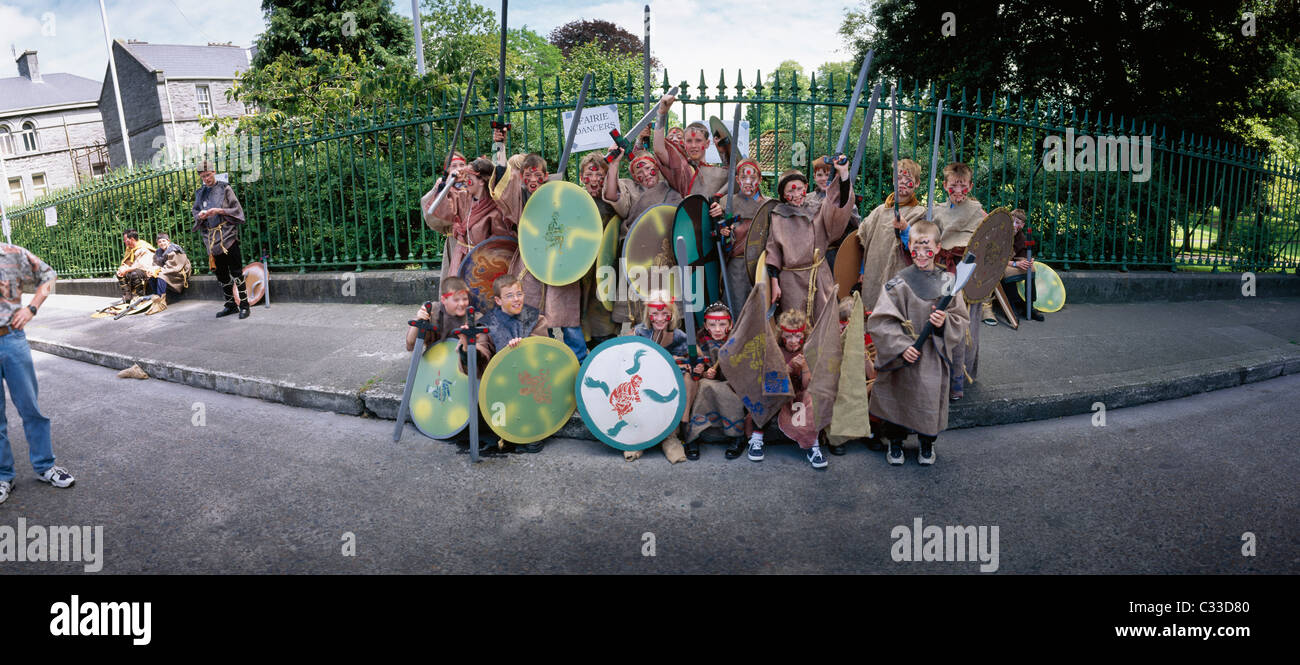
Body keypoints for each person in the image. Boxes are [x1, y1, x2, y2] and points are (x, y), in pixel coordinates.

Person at [867, 221, 970, 466]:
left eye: (927, 249)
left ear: (937, 248)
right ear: (908, 247)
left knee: (929, 399)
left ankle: (927, 443)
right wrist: (902, 346)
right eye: (916, 249)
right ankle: (895, 442)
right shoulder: (898, 282)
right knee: (897, 398)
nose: (921, 255)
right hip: (903, 355)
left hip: (933, 353)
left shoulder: (947, 281)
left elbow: (960, 318)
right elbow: (881, 321)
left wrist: (944, 321)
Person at [0, 243, 74, 506]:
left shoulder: (13, 254)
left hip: (11, 338)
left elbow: (50, 276)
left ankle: (45, 467)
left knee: (30, 408)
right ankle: (3, 476)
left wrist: (31, 308)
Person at [405, 276, 497, 454]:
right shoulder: (434, 313)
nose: (462, 304)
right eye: (456, 299)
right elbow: (410, 345)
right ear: (444, 299)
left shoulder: (475, 318)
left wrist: (468, 346)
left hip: (466, 375)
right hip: (439, 375)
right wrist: (419, 322)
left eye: (465, 298)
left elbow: (484, 352)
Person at [764, 157, 855, 326]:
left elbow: (837, 205)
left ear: (806, 188)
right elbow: (773, 251)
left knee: (825, 322)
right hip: (791, 282)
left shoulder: (817, 209)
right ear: (783, 194)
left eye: (799, 189)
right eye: (790, 191)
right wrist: (774, 284)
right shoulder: (778, 216)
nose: (796, 195)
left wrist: (843, 174)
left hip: (819, 275)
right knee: (796, 326)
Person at [933, 162, 988, 400]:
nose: (958, 190)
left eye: (963, 185)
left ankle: (962, 376)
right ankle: (940, 376)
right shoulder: (936, 211)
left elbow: (991, 237)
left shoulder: (977, 210)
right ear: (945, 186)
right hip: (943, 271)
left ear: (970, 186)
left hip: (968, 273)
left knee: (965, 326)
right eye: (953, 185)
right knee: (941, 322)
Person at [480, 275, 550, 454]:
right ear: (498, 300)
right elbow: (483, 351)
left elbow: (543, 351)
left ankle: (531, 432)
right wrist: (469, 349)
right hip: (502, 380)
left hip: (529, 377)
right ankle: (504, 432)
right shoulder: (489, 322)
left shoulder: (535, 318)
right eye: (509, 295)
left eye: (519, 294)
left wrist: (523, 347)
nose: (516, 299)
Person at [624, 291, 689, 464]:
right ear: (648, 315)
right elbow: (622, 353)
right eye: (655, 314)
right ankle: (641, 437)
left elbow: (692, 357)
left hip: (668, 386)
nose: (659, 318)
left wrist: (682, 362)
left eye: (664, 314)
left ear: (671, 314)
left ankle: (670, 437)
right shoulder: (638, 332)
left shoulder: (679, 336)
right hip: (643, 383)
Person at [856, 158, 926, 310]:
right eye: (899, 178)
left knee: (894, 316)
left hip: (899, 273)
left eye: (908, 179)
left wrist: (906, 229)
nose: (902, 182)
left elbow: (918, 248)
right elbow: (866, 242)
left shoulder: (920, 213)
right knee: (871, 315)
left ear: (917, 183)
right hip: (874, 272)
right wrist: (862, 270)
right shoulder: (879, 211)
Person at [683, 303, 746, 460]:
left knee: (727, 391)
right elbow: (693, 365)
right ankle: (693, 437)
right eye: (712, 324)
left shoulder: (737, 341)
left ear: (730, 324)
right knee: (704, 387)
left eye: (722, 324)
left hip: (731, 383)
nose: (717, 329)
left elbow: (745, 369)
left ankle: (736, 435)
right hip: (706, 383)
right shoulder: (698, 341)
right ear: (705, 325)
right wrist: (702, 372)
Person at [709, 157, 770, 311]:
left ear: (760, 179)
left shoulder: (768, 206)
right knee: (737, 306)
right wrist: (721, 227)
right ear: (737, 179)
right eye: (743, 177)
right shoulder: (725, 204)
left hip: (761, 265)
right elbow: (718, 237)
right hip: (736, 265)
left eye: (752, 177)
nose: (748, 182)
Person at [192, 161, 251, 319]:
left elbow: (237, 210)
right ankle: (230, 305)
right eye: (203, 176)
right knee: (222, 274)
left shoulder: (225, 188)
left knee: (237, 272)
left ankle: (244, 305)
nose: (206, 179)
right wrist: (200, 215)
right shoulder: (200, 193)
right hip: (212, 239)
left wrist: (219, 210)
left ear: (214, 172)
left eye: (209, 175)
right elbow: (195, 210)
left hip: (228, 236)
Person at [1000, 208, 1045, 322]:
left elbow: (1022, 255)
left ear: (1023, 225)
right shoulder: (1001, 233)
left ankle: (1029, 306)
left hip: (1013, 262)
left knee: (1031, 269)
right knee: (1007, 273)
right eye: (1012, 221)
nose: (1014, 225)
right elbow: (996, 258)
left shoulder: (1021, 237)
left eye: (1018, 223)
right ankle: (1011, 306)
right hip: (1000, 264)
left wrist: (1027, 261)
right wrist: (1015, 263)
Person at [143, 233, 192, 314]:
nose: (162, 243)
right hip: (167, 270)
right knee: (152, 277)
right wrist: (152, 270)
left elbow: (173, 266)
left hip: (179, 272)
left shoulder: (174, 250)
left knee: (161, 276)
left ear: (168, 241)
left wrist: (158, 270)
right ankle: (157, 298)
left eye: (164, 241)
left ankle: (161, 302)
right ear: (157, 243)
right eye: (159, 242)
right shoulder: (158, 251)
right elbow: (155, 264)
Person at [113, 229, 156, 304]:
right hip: (134, 269)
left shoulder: (143, 247)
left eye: (125, 240)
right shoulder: (130, 249)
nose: (124, 241)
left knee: (134, 273)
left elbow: (141, 265)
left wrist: (127, 270)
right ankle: (127, 296)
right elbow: (127, 262)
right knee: (119, 273)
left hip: (147, 270)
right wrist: (122, 268)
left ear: (132, 239)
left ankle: (138, 296)